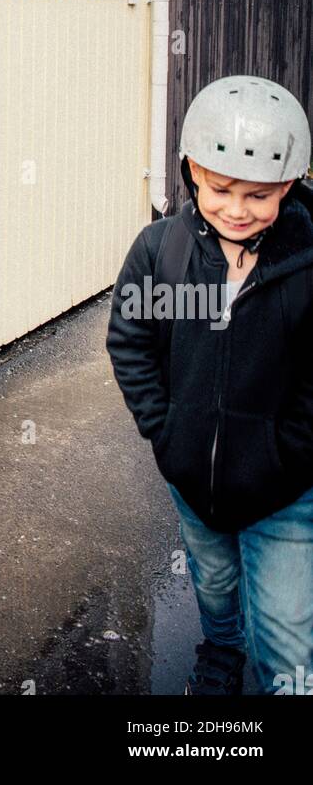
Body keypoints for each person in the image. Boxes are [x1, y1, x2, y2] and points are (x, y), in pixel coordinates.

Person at [106, 75, 313, 696]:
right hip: (193, 479)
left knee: (288, 629)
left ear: (290, 185)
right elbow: (130, 342)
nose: (237, 208)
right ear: (191, 170)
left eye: (260, 195)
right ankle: (221, 653)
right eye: (221, 188)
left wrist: (290, 454)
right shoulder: (160, 250)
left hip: (287, 495)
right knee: (214, 583)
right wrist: (167, 435)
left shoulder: (307, 265)